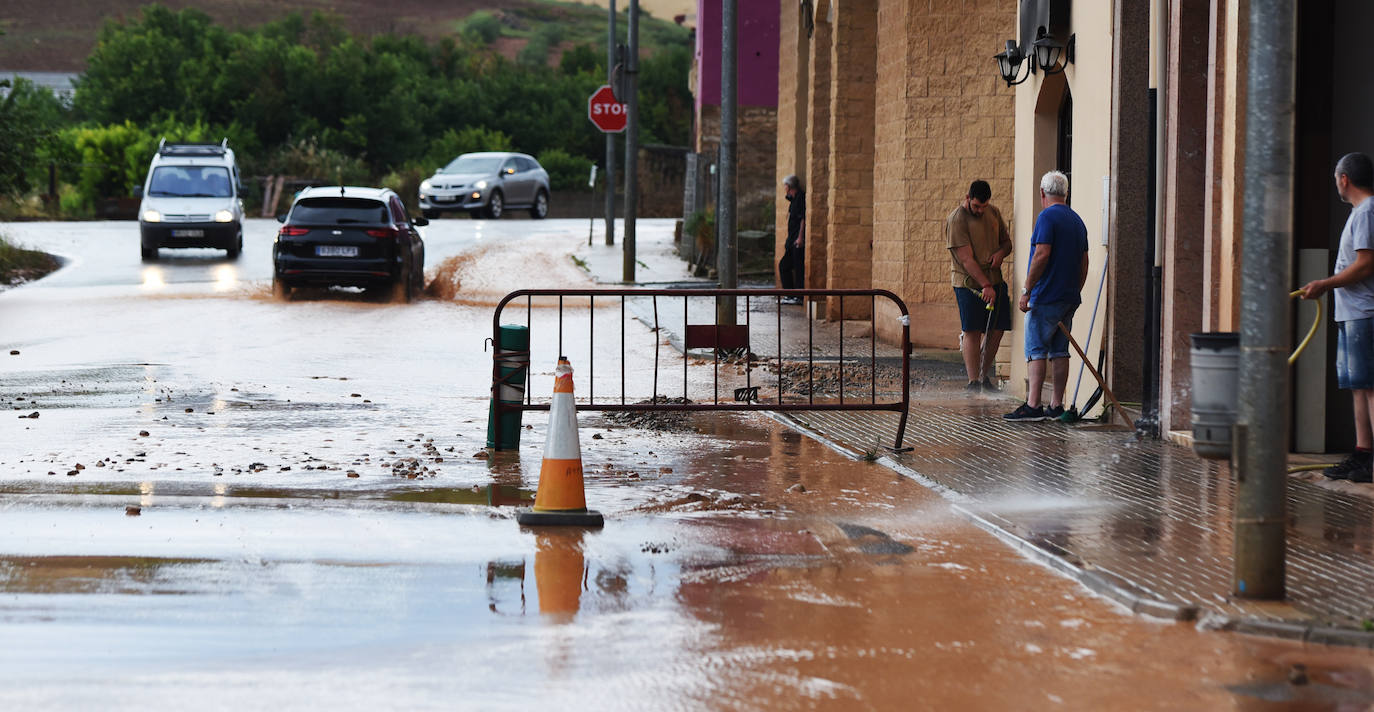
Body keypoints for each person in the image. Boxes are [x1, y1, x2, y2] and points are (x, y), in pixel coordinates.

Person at [1301, 153, 1374, 482]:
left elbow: (1365, 264)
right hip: (1353, 313)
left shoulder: (1368, 212)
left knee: (1370, 387)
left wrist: (1324, 285)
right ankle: (1363, 454)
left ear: (1344, 179)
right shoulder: (1360, 212)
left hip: (1365, 312)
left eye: (1335, 178)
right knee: (1359, 387)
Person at [1004, 171, 1089, 422]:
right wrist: (1076, 289)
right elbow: (1084, 261)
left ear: (1042, 193)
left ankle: (1033, 405)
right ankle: (1055, 405)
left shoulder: (1046, 217)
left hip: (1046, 296)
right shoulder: (1077, 220)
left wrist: (1026, 290)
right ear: (1066, 193)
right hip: (1068, 297)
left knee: (1037, 349)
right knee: (1060, 351)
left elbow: (1041, 254)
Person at [946, 179, 1013, 391]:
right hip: (969, 284)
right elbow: (966, 259)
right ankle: (973, 380)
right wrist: (985, 285)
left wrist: (1000, 254)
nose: (980, 211)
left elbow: (1007, 243)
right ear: (968, 198)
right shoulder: (957, 220)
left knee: (997, 327)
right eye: (976, 206)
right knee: (972, 329)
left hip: (994, 279)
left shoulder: (993, 213)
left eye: (984, 206)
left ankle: (984, 375)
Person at [779, 175, 805, 304]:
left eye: (785, 186)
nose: (784, 188)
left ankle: (798, 296)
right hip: (791, 240)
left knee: (798, 268)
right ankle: (790, 294)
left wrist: (800, 237)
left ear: (789, 186)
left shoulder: (800, 198)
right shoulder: (793, 199)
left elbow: (803, 219)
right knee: (784, 266)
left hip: (797, 240)